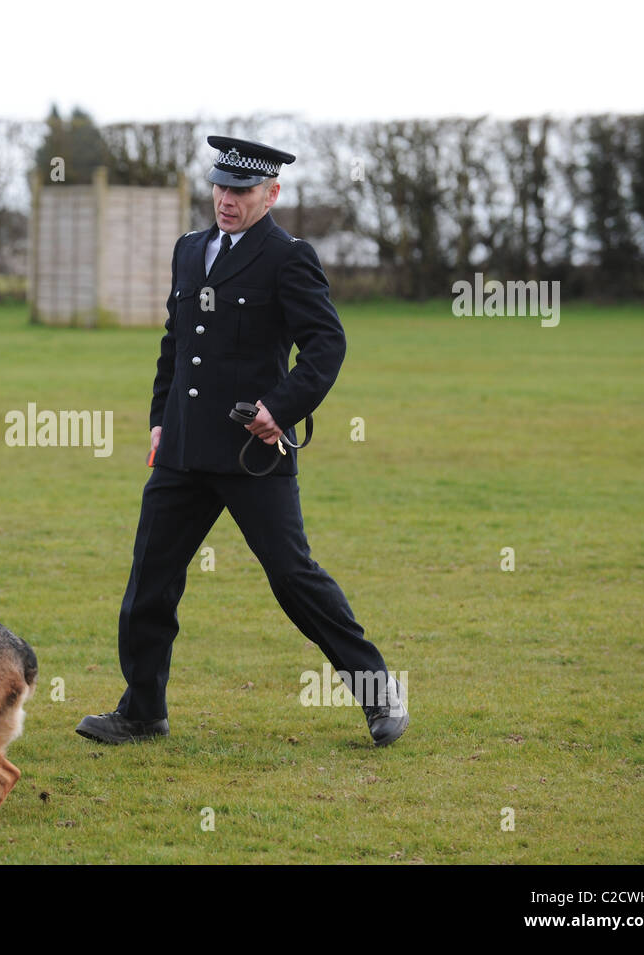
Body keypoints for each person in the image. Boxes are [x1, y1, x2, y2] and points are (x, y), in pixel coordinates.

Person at [76, 136, 408, 748]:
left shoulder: (289, 257)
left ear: (271, 194)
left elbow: (325, 345)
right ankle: (142, 710)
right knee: (150, 581)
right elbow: (175, 344)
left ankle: (380, 695)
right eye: (221, 187)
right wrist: (159, 417)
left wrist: (279, 410)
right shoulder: (188, 249)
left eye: (242, 190)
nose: (226, 200)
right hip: (181, 451)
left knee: (293, 578)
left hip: (252, 453)